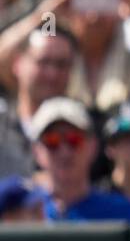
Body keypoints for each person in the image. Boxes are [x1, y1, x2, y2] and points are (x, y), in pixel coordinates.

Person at [28, 97, 130, 221]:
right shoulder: (21, 213)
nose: (65, 152)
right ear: (36, 151)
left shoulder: (120, 212)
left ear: (93, 146)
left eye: (74, 139)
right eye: (52, 141)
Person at [0, 29, 76, 178]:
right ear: (18, 64)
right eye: (43, 62)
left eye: (61, 64)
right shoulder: (2, 125)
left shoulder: (84, 131)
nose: (52, 74)